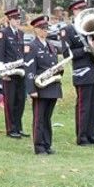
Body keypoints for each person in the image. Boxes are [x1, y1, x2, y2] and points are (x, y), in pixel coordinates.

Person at [60, 0, 94, 146]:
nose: (82, 12)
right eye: (79, 10)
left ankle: (92, 135)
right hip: (82, 72)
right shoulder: (68, 30)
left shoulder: (90, 28)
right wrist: (87, 48)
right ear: (73, 12)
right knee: (83, 106)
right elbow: (67, 53)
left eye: (84, 9)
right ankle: (82, 137)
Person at [25, 15, 62, 155]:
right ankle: (39, 145)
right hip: (40, 87)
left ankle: (47, 144)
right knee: (39, 118)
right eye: (43, 28)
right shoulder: (32, 46)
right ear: (36, 30)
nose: (45, 31)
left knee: (47, 117)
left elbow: (54, 64)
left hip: (51, 86)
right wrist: (32, 89)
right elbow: (29, 69)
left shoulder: (51, 45)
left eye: (47, 28)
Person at [0, 8, 27, 137]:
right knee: (10, 101)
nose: (18, 21)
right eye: (15, 19)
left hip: (20, 71)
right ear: (9, 20)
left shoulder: (21, 33)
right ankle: (11, 129)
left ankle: (18, 127)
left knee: (20, 100)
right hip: (9, 72)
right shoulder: (3, 33)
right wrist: (3, 73)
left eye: (19, 18)